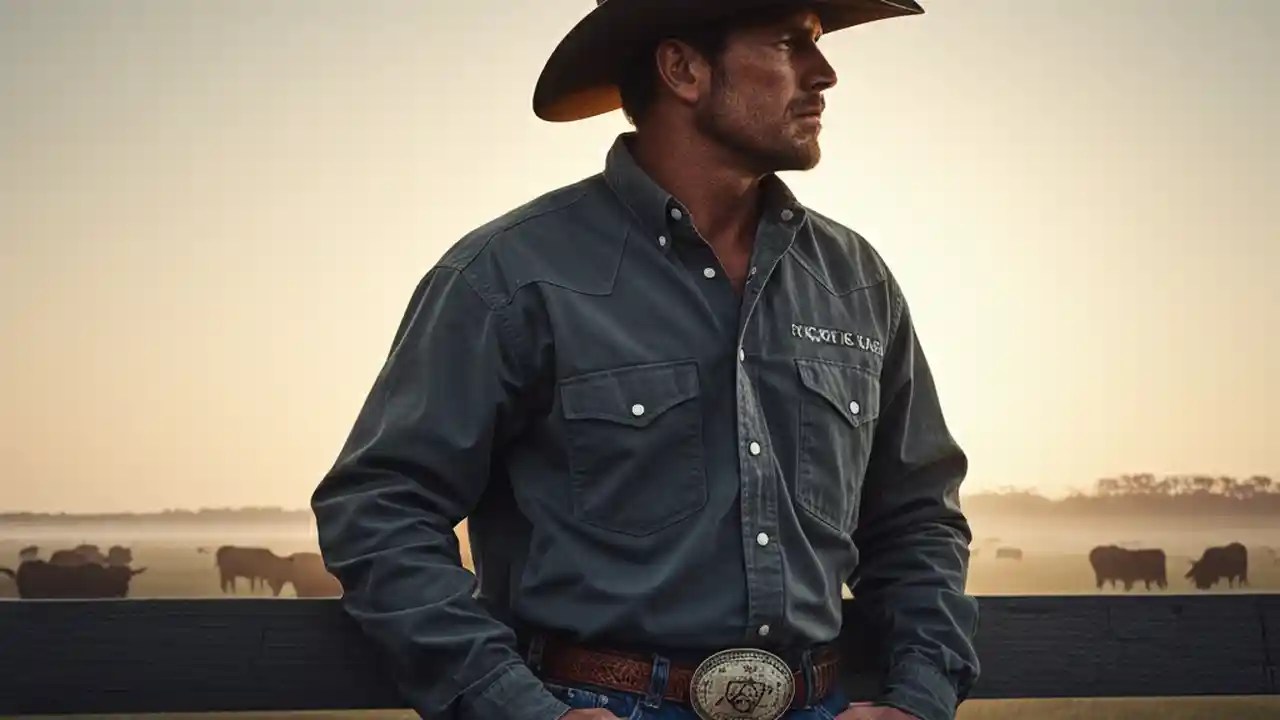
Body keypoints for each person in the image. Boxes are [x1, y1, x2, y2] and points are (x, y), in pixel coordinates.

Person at [310, 1, 979, 719]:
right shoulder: (510, 276)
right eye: (791, 44)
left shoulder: (855, 281)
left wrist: (919, 697)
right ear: (683, 69)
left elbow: (917, 519)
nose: (825, 74)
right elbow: (381, 510)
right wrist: (512, 708)